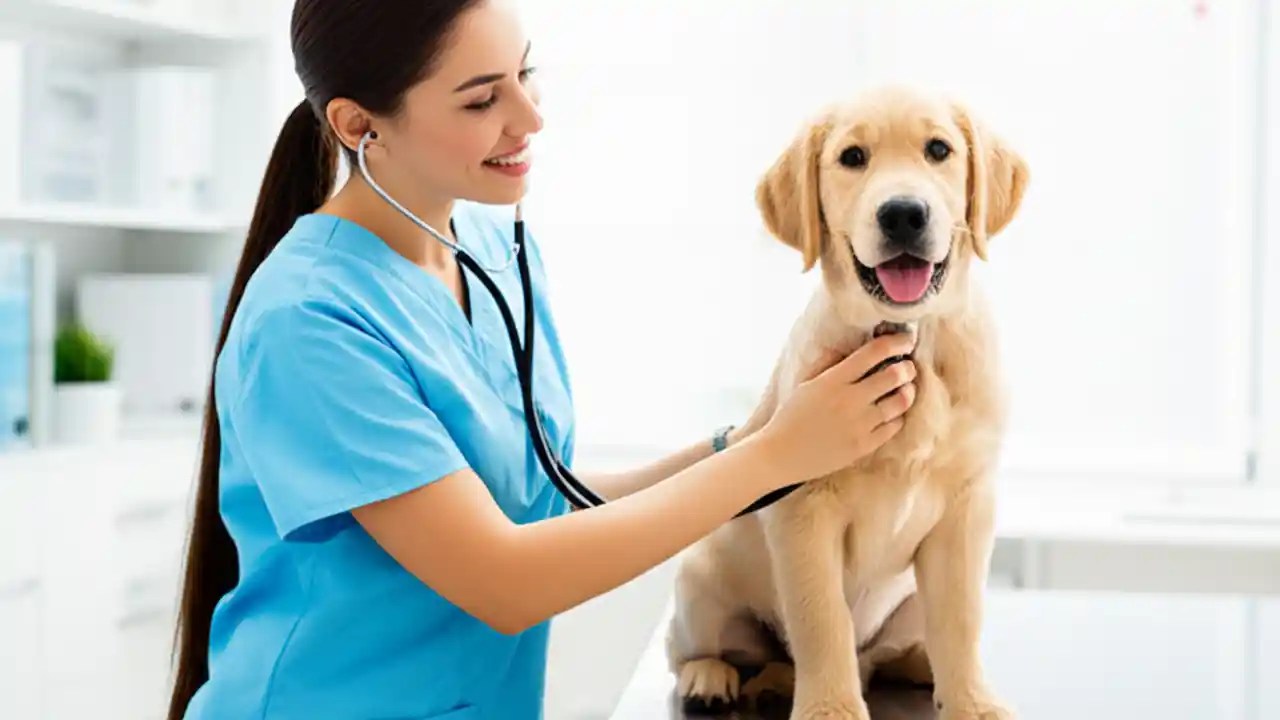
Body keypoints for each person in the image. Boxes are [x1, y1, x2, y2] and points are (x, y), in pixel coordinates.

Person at [166, 1, 918, 719]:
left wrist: (750, 441)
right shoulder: (310, 322)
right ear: (360, 125)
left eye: (525, 76)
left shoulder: (492, 254)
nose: (530, 119)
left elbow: (539, 496)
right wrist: (775, 460)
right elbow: (506, 577)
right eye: (480, 100)